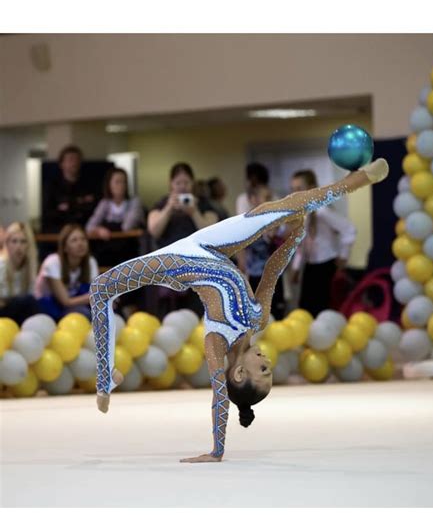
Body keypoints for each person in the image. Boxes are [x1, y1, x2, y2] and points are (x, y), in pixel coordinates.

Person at [90, 159, 389, 462]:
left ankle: (105, 381)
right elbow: (272, 271)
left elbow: (220, 395)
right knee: (281, 208)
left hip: (177, 263)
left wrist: (217, 449)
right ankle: (357, 180)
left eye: (263, 369)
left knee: (100, 289)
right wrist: (295, 237)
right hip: (213, 246)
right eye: (269, 368)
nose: (267, 361)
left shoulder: (216, 342)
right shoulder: (257, 319)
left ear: (240, 371)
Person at [147, 162, 218, 317]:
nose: (182, 187)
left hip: (197, 265)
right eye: (178, 183)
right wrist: (168, 209)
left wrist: (194, 213)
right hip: (169, 266)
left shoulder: (203, 204)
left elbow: (211, 232)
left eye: (186, 182)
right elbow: (154, 230)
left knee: (197, 310)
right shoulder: (162, 204)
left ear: (192, 183)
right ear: (171, 184)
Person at [289, 169, 357, 316]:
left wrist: (343, 257)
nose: (295, 193)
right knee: (305, 310)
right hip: (310, 267)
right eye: (293, 189)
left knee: (324, 310)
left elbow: (349, 229)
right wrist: (296, 268)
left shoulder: (322, 211)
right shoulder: (302, 213)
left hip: (326, 267)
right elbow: (302, 242)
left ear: (311, 188)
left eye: (299, 189)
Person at [236, 163, 285, 319]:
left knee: (276, 309)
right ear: (253, 199)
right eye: (265, 198)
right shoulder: (247, 217)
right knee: (257, 309)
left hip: (274, 273)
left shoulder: (274, 216)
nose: (268, 200)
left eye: (269, 197)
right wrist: (241, 262)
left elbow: (280, 237)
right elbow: (241, 242)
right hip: (255, 273)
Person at [35, 224, 99, 319]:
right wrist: (98, 296)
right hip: (47, 305)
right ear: (64, 247)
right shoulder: (52, 262)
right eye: (74, 240)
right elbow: (65, 301)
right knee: (84, 313)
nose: (80, 244)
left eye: (83, 239)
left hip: (75, 301)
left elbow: (94, 290)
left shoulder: (90, 261)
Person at [86, 167, 144, 266]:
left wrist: (111, 227)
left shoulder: (134, 202)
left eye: (124, 182)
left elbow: (126, 227)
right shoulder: (105, 203)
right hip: (108, 250)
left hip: (129, 249)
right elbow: (89, 226)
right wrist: (99, 230)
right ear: (109, 184)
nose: (121, 185)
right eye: (117, 182)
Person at [42, 145, 97, 232]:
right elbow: (49, 213)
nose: (74, 163)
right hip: (58, 232)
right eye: (70, 159)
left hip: (83, 230)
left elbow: (93, 211)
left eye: (77, 159)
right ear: (62, 164)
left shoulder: (89, 186)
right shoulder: (52, 187)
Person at [0, 222, 38, 322]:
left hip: (18, 312)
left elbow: (31, 294)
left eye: (23, 242)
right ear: (7, 244)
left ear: (28, 245)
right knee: (26, 301)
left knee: (31, 302)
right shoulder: (1, 265)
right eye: (14, 241)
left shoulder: (30, 268)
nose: (18, 246)